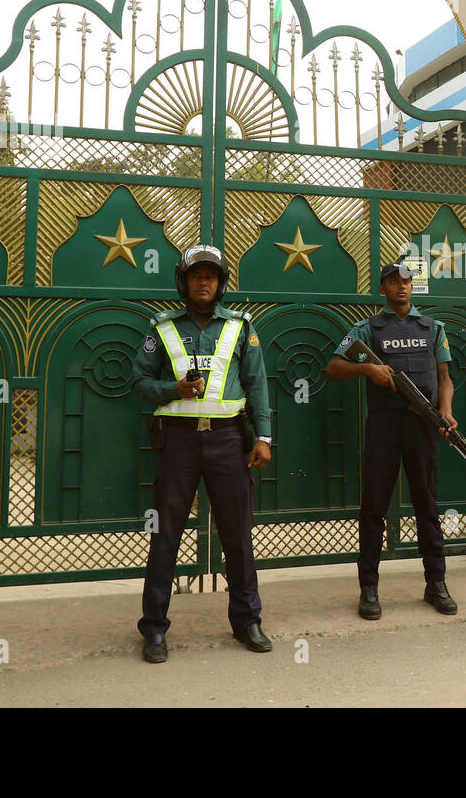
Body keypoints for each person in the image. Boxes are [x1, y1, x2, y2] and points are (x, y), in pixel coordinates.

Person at [131, 244, 273, 662]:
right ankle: (154, 629)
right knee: (165, 536)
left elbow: (258, 385)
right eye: (196, 275)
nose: (204, 281)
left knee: (238, 535)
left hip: (230, 441)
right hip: (179, 441)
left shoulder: (241, 326)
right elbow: (138, 380)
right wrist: (171, 390)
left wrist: (264, 436)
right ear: (184, 281)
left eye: (211, 275)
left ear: (221, 281)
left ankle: (248, 621)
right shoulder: (161, 328)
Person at [325, 262, 459, 620]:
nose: (402, 287)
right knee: (374, 508)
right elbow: (333, 367)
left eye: (407, 282)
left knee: (427, 505)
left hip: (423, 425)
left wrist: (445, 411)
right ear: (382, 288)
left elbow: (445, 378)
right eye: (394, 282)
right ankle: (368, 588)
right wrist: (367, 369)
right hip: (384, 425)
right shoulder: (366, 328)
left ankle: (436, 583)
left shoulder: (432, 328)